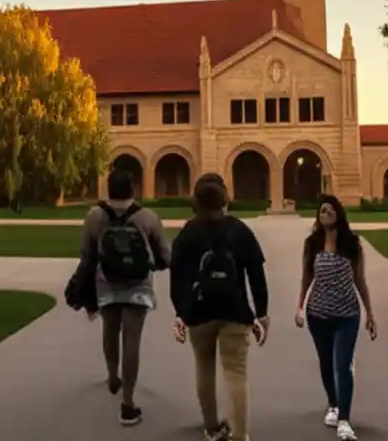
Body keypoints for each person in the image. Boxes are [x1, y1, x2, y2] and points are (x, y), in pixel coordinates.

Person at [170, 173, 269, 441]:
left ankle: (212, 427)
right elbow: (257, 276)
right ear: (225, 199)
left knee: (204, 367)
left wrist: (180, 312)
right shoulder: (239, 230)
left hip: (199, 312)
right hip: (235, 310)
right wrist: (262, 313)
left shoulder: (188, 233)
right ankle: (240, 435)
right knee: (236, 373)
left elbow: (177, 277)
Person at [78, 168, 169, 426]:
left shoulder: (94, 216)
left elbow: (86, 254)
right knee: (132, 340)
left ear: (109, 188)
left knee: (109, 330)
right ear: (133, 189)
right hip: (138, 286)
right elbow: (165, 255)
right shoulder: (148, 217)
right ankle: (128, 403)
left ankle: (111, 375)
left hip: (106, 283)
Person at [295, 195, 377, 441]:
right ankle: (333, 403)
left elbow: (360, 280)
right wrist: (299, 307)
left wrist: (370, 313)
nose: (326, 214)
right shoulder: (313, 243)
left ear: (339, 214)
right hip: (318, 314)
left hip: (347, 314)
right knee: (326, 363)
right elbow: (306, 277)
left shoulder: (352, 244)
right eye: (322, 211)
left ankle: (344, 420)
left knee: (343, 365)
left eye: (330, 210)